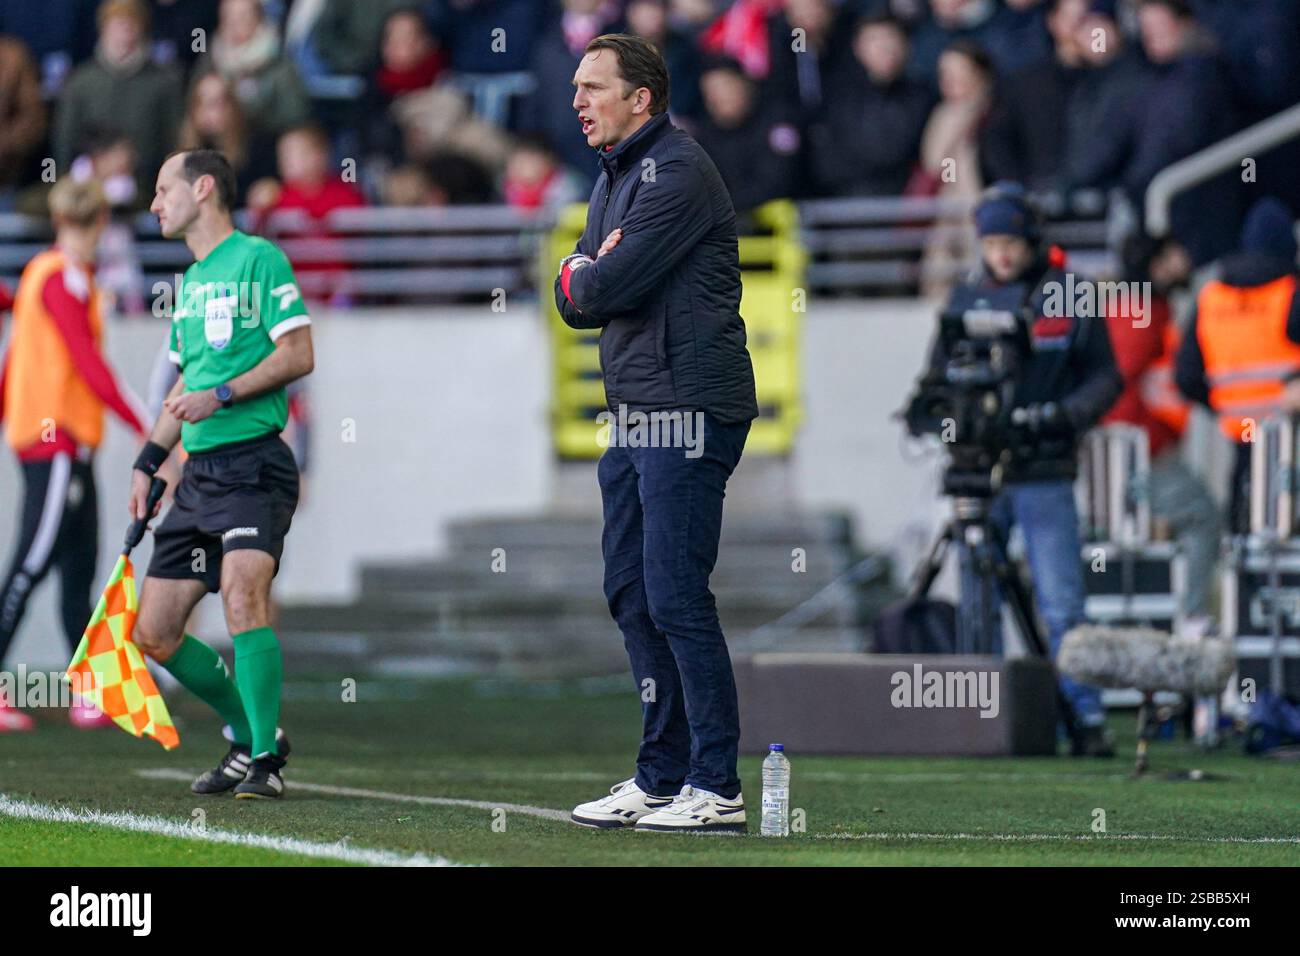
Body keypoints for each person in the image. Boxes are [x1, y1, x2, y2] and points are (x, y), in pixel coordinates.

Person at [556, 34, 758, 831]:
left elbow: (606, 283)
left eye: (593, 87)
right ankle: (663, 775)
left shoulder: (675, 170)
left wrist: (591, 273)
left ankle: (718, 785)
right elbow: (575, 295)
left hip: (689, 407)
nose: (578, 101)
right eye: (574, 86)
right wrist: (586, 272)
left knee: (675, 592)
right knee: (632, 592)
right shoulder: (611, 177)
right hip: (637, 410)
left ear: (642, 97)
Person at [907, 182, 1123, 755]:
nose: (1000, 254)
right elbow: (935, 376)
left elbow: (1107, 376)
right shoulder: (966, 294)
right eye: (991, 242)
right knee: (980, 599)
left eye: (1009, 242)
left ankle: (1086, 718)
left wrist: (1065, 415)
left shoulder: (1072, 293)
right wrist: (929, 416)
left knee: (1061, 601)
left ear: (1032, 240)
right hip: (978, 470)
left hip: (1043, 465)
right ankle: (992, 718)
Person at [130, 148, 313, 798]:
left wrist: (225, 396)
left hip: (253, 465)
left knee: (243, 597)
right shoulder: (193, 282)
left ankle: (264, 762)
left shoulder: (259, 258)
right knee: (154, 632)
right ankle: (245, 735)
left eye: (162, 189)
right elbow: (183, 386)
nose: (154, 204)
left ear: (203, 189)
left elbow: (298, 353)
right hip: (199, 474)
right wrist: (149, 463)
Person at [0, 178, 149, 733]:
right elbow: (89, 365)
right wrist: (142, 424)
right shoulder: (65, 279)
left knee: (78, 569)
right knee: (32, 563)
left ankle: (88, 689)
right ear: (98, 224)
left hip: (67, 445)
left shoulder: (47, 274)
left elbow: (16, 361)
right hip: (54, 442)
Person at [1101, 233, 1219, 621]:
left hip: (1139, 450)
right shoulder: (1141, 312)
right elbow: (1115, 385)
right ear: (1155, 265)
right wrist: (1138, 445)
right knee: (1202, 517)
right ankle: (1191, 617)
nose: (1183, 261)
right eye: (1172, 255)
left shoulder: (1141, 307)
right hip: (1139, 453)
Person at [1175, 197, 1300, 534]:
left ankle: (1243, 581)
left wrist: (1224, 403)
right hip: (1291, 431)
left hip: (1241, 430)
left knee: (1246, 528)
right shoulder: (1291, 290)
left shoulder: (1211, 296)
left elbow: (1185, 375)